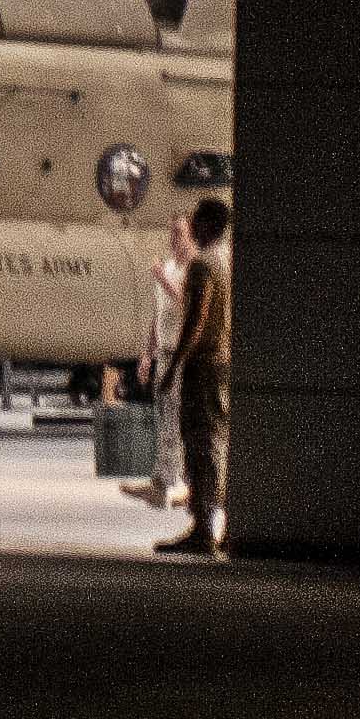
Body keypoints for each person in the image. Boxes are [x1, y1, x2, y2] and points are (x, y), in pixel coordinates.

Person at [156, 197, 233, 558]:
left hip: (203, 366)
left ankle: (203, 528)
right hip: (222, 363)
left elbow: (195, 319)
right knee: (213, 441)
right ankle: (207, 524)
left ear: (204, 224)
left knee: (201, 444)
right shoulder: (228, 260)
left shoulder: (203, 265)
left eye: (195, 221)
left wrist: (174, 366)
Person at [125, 212, 194, 509]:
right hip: (164, 351)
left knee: (181, 417)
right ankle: (162, 480)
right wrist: (146, 353)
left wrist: (163, 279)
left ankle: (181, 483)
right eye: (172, 232)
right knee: (165, 415)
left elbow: (187, 305)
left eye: (179, 232)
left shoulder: (193, 268)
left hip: (183, 352)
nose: (173, 237)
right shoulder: (168, 264)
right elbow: (159, 313)